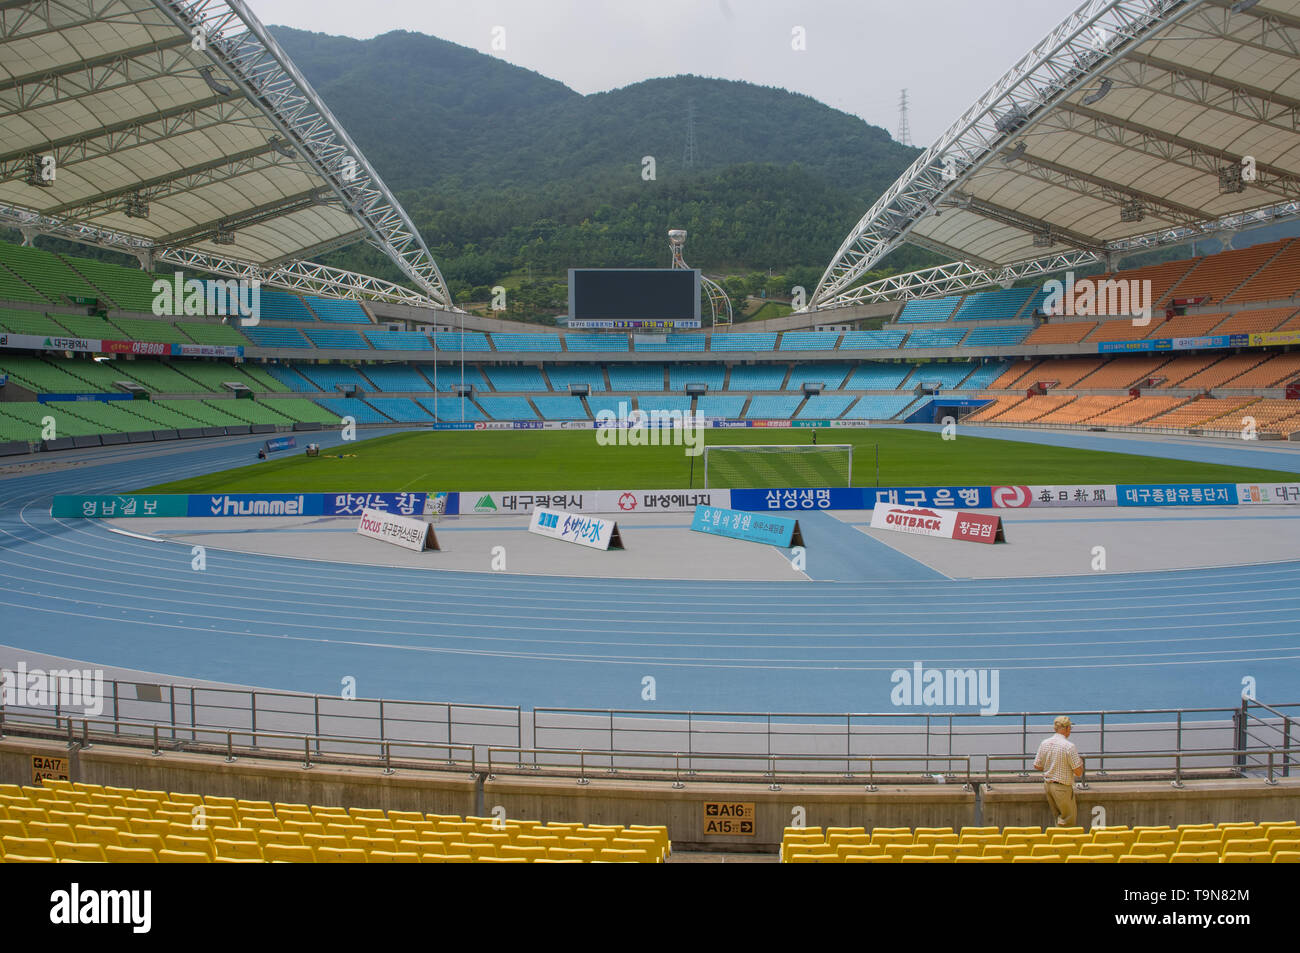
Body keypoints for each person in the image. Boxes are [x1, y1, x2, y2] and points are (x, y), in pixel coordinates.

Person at [1033, 715, 1084, 827]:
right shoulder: (1069, 747)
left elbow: (1037, 765)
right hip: (1062, 788)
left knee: (1058, 818)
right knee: (1067, 821)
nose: (1070, 730)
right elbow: (1078, 772)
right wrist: (1081, 763)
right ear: (1065, 729)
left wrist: (1051, 766)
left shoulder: (1045, 743)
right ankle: (1064, 843)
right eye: (1070, 727)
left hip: (1048, 785)